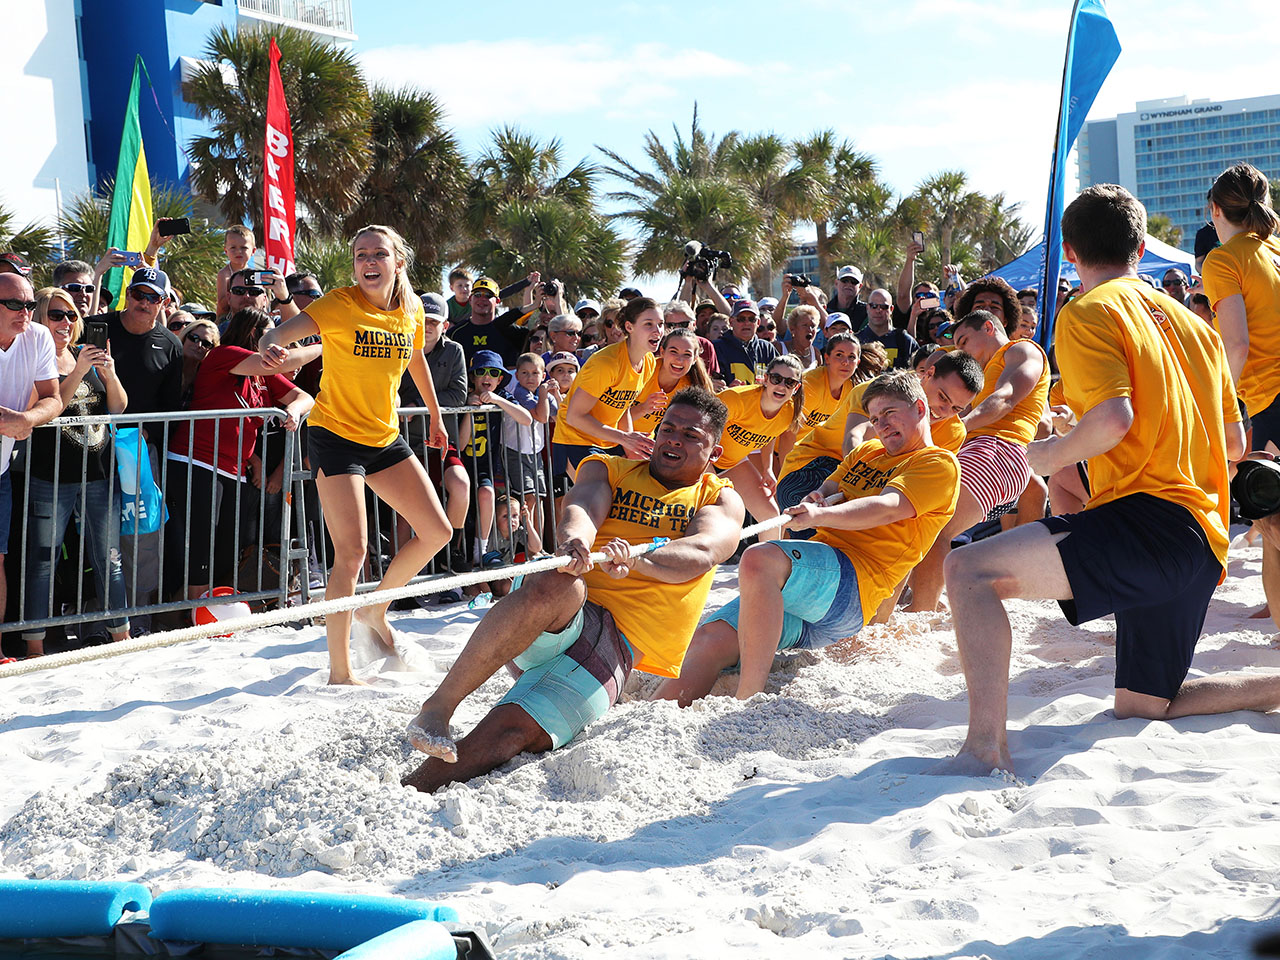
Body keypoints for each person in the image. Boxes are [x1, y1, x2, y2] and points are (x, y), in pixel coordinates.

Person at [940, 184, 1273, 776]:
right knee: (1147, 706)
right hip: (1205, 541)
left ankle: (983, 749)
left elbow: (1114, 421)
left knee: (968, 569)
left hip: (1151, 522)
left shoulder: (1090, 309)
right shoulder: (1197, 327)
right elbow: (1233, 444)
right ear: (1141, 247)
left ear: (1069, 251)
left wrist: (1044, 454)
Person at [402, 387, 745, 792]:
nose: (674, 439)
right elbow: (582, 507)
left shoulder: (720, 498)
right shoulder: (607, 467)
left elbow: (704, 549)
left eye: (691, 436)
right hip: (553, 613)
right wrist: (575, 542)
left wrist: (640, 561)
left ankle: (409, 791)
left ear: (715, 453)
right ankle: (438, 706)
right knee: (560, 581)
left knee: (510, 733)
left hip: (618, 643)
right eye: (668, 428)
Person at [656, 370, 960, 704]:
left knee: (760, 558)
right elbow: (831, 486)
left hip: (852, 589)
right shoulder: (868, 451)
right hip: (810, 589)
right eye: (875, 418)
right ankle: (656, 711)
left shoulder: (938, 463)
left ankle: (749, 698)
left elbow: (888, 506)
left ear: (920, 408)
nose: (882, 425)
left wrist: (821, 515)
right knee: (709, 638)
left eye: (890, 414)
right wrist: (817, 497)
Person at [258, 224, 454, 685]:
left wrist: (436, 414)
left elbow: (416, 359)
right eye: (361, 254)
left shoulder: (411, 308)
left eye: (378, 254)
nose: (369, 261)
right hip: (335, 435)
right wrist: (270, 350)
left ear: (397, 262)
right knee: (351, 554)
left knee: (436, 530)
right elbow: (278, 338)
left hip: (384, 437)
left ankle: (375, 607)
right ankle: (340, 671)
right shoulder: (338, 304)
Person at [165, 308, 314, 603]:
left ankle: (203, 605)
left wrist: (293, 411)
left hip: (233, 468)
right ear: (254, 334)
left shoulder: (264, 376)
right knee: (201, 542)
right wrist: (331, 343)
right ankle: (195, 611)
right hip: (196, 459)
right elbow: (280, 363)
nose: (279, 340)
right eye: (271, 333)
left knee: (228, 545)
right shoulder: (225, 354)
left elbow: (303, 397)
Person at [904, 309, 1049, 612]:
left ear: (988, 327)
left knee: (935, 526)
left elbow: (1006, 399)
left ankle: (922, 611)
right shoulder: (978, 375)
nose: (961, 350)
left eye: (964, 341)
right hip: (987, 453)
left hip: (997, 449)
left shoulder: (1020, 349)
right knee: (920, 518)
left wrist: (958, 425)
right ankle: (925, 601)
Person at [23, 288, 123, 656]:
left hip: (98, 471)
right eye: (55, 315)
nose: (65, 323)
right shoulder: (35, 357)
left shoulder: (83, 354)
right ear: (38, 319)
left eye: (69, 315)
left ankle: (121, 634)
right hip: (52, 474)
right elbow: (48, 407)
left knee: (108, 556)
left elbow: (118, 407)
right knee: (43, 561)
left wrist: (108, 374)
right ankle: (34, 645)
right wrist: (79, 370)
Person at [1200, 163, 1280, 625]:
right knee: (1270, 524)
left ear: (1215, 209)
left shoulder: (1223, 258)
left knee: (1272, 520)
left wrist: (1218, 402)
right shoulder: (1273, 248)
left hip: (1272, 394)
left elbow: (1236, 343)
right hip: (1272, 394)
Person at [0, 271, 63, 627]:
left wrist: (27, 419)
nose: (24, 311)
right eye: (13, 304)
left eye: (28, 304)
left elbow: (53, 398)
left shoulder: (38, 337)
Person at [551, 296, 661, 481]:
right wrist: (625, 439)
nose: (658, 331)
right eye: (649, 324)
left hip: (609, 439)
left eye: (661, 323)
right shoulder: (606, 363)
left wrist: (631, 444)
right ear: (629, 327)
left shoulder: (649, 362)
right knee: (596, 496)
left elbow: (623, 406)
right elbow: (574, 416)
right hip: (576, 437)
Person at [399, 292, 470, 577]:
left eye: (434, 321)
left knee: (461, 486)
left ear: (446, 325)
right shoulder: (400, 347)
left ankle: (450, 554)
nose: (427, 325)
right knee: (406, 509)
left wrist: (417, 404)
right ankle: (402, 579)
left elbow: (459, 394)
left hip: (441, 443)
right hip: (405, 442)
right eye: (423, 319)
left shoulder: (454, 351)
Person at [714, 354, 805, 537]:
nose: (781, 386)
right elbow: (700, 430)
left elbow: (769, 434)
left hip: (732, 463)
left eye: (789, 382)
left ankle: (766, 565)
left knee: (770, 515)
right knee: (716, 513)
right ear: (765, 379)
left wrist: (767, 469)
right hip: (701, 459)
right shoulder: (736, 398)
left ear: (796, 388)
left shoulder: (788, 413)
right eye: (776, 379)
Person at [774, 333, 861, 513]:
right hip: (782, 452)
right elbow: (787, 433)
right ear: (826, 358)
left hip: (816, 458)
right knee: (780, 510)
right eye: (839, 355)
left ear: (858, 362)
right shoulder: (811, 384)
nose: (846, 362)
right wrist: (784, 474)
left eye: (851, 357)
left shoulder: (853, 388)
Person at [629, 327, 715, 436]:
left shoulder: (689, 388)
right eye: (673, 352)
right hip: (611, 435)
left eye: (687, 355)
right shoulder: (644, 368)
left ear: (694, 359)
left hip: (644, 441)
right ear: (662, 352)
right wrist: (642, 409)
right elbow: (614, 417)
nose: (679, 360)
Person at [485, 494, 544, 599]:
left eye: (515, 516)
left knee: (536, 555)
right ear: (495, 520)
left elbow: (536, 547)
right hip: (487, 576)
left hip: (504, 575)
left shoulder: (517, 532)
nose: (511, 520)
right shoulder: (493, 534)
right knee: (498, 589)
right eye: (505, 516)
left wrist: (528, 522)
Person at [714, 299, 778, 385]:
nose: (747, 323)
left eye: (752, 319)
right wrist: (727, 390)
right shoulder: (716, 348)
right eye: (741, 319)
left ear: (758, 322)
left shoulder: (767, 348)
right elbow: (712, 384)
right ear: (731, 322)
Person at [857, 288, 917, 369]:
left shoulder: (905, 341)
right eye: (874, 306)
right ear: (867, 308)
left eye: (884, 307)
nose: (878, 310)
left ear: (891, 309)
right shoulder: (856, 341)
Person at [954, 277, 1021, 336]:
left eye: (994, 307)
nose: (986, 310)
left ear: (1005, 321)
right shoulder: (951, 350)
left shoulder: (1020, 349)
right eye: (979, 306)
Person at [177, 318, 220, 407]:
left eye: (206, 344)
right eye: (194, 338)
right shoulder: (166, 365)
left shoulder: (209, 378)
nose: (198, 345)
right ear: (184, 337)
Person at [215, 225, 256, 318]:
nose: (238, 251)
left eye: (244, 248)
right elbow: (222, 306)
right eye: (233, 248)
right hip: (228, 318)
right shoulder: (224, 274)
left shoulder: (254, 274)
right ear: (226, 251)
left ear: (253, 251)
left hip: (251, 316)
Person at [829, 265, 868, 330]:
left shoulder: (867, 312)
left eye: (854, 282)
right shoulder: (826, 309)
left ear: (860, 286)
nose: (849, 284)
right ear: (836, 283)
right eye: (844, 281)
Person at [784, 305, 821, 370]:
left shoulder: (816, 354)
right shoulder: (779, 348)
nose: (810, 329)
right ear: (793, 329)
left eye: (813, 326)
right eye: (805, 325)